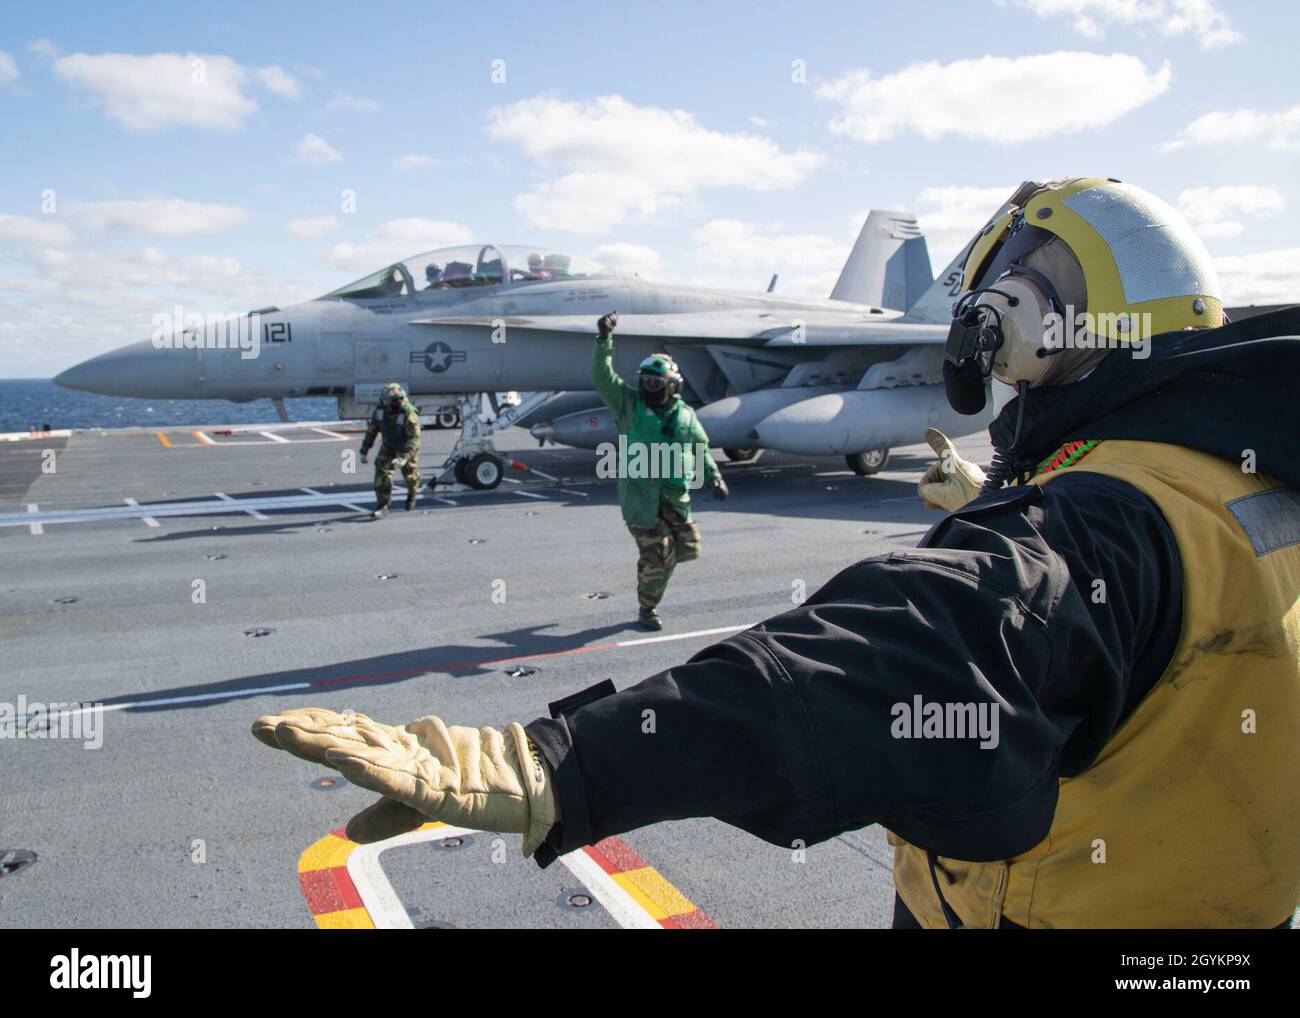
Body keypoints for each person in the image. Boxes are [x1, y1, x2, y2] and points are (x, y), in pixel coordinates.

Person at [253, 178, 1300, 928]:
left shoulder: (1104, 522)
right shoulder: (1239, 474)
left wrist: (561, 764)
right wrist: (996, 497)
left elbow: (918, 648)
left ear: (1021, 321)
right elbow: (1143, 602)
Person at [592, 312, 728, 629]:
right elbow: (602, 377)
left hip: (675, 497)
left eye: (654, 382)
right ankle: (647, 608)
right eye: (643, 381)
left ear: (672, 385)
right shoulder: (628, 405)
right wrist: (604, 340)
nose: (646, 386)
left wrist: (714, 477)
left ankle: (653, 576)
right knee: (658, 554)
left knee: (685, 549)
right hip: (640, 500)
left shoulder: (686, 415)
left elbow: (701, 449)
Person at [359, 383, 421, 519]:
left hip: (406, 447)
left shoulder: (409, 413)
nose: (384, 403)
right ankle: (382, 505)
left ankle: (412, 493)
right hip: (388, 446)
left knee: (410, 476)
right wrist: (364, 449)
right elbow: (372, 431)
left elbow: (415, 438)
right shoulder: (380, 411)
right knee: (381, 474)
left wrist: (403, 457)